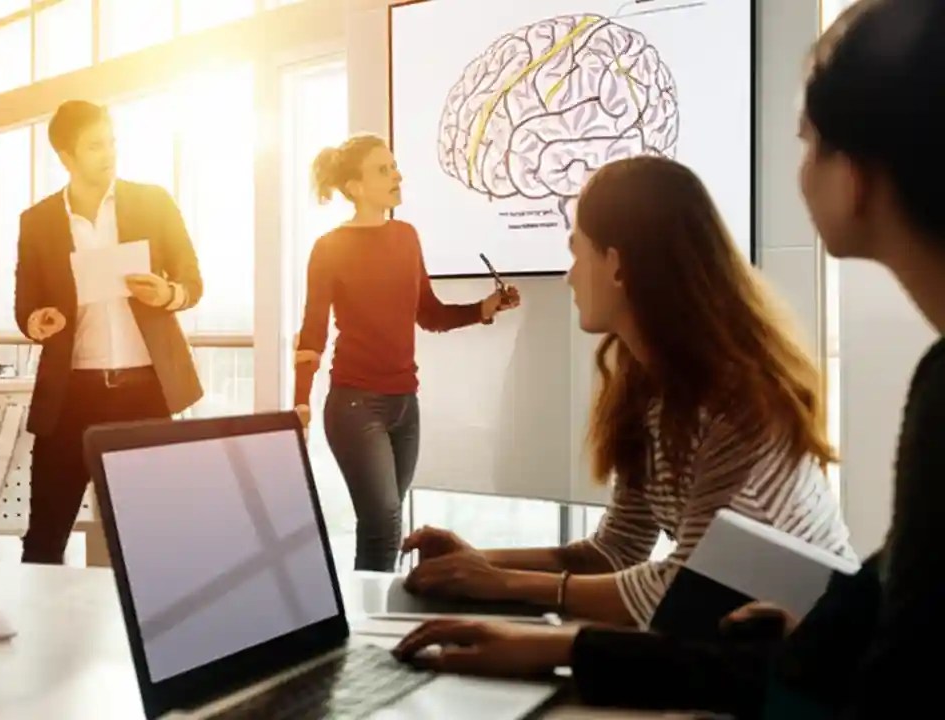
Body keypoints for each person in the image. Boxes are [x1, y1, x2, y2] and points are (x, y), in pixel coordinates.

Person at [394, 2, 944, 717]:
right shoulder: (642, 382)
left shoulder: (744, 395)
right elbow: (625, 550)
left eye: (808, 144)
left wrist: (527, 612)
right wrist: (484, 565)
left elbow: (883, 672)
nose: (566, 273)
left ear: (858, 175)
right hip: (742, 658)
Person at [400, 155, 854, 628]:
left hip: (813, 669)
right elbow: (614, 551)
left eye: (578, 254)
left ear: (616, 265)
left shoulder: (738, 405)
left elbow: (683, 590)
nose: (569, 276)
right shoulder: (648, 390)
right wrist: (476, 562)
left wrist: (503, 583)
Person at [294, 134, 521, 572]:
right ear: (355, 186)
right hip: (355, 405)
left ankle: (370, 622)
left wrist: (485, 308)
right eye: (384, 169)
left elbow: (429, 314)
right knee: (382, 523)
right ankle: (368, 627)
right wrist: (301, 401)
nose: (397, 175)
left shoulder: (406, 236)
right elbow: (312, 333)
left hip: (405, 406)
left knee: (384, 527)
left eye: (395, 166)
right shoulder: (328, 248)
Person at [15, 100, 203, 565]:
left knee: (153, 540)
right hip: (71, 396)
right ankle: (43, 636)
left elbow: (192, 280)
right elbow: (26, 304)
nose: (109, 152)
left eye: (112, 141)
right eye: (95, 145)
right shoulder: (37, 221)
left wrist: (167, 294)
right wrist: (37, 322)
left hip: (145, 393)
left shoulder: (152, 201)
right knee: (44, 539)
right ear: (66, 157)